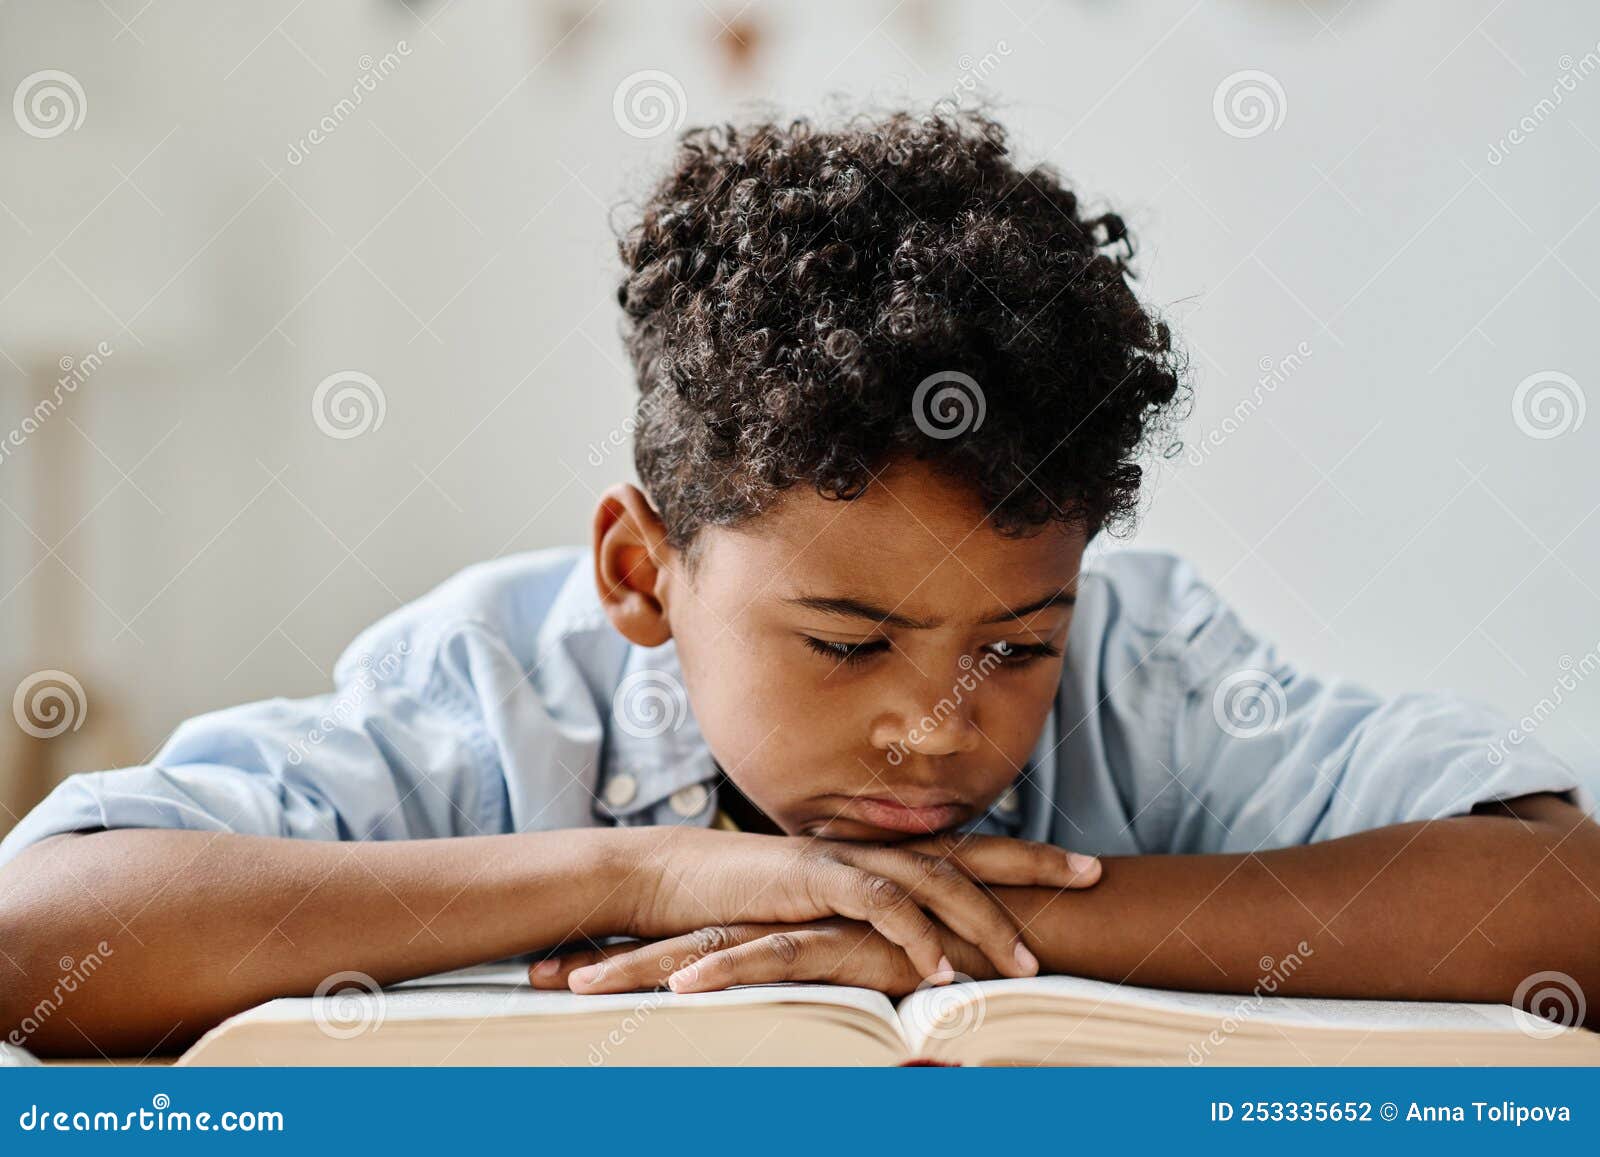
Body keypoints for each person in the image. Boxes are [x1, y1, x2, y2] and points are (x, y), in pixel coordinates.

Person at [2, 111, 1594, 1058]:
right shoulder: (495, 681)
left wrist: (971, 938)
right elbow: (40, 937)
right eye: (846, 640)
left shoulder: (1147, 661)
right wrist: (642, 878)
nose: (936, 725)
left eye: (1020, 643)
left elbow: (1566, 907)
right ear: (643, 570)